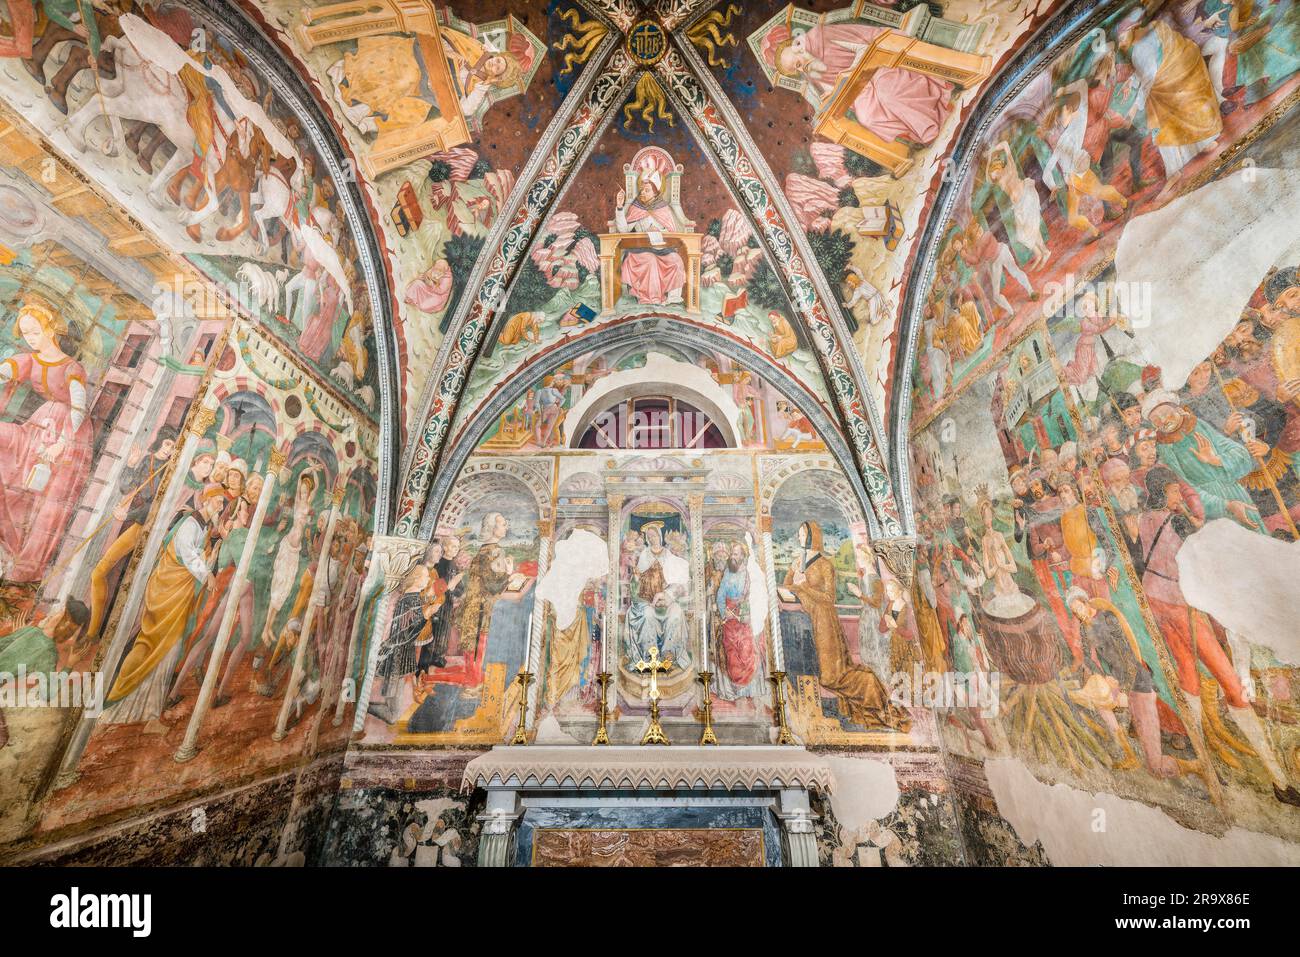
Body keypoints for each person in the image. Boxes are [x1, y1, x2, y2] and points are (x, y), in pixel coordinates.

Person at [1135, 467, 1300, 806]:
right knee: (1229, 681)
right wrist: (1188, 507)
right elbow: (1198, 529)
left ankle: (1207, 764)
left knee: (1188, 679)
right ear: (1163, 492)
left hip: (1157, 600)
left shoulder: (1143, 519)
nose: (1178, 495)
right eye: (1173, 491)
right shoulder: (1175, 522)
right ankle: (1278, 779)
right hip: (1181, 604)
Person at [100, 487, 225, 732]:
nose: (221, 506)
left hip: (178, 597)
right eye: (219, 501)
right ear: (208, 500)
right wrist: (206, 573)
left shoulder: (202, 527)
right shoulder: (191, 523)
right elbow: (186, 554)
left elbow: (194, 553)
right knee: (148, 644)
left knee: (170, 651)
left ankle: (150, 713)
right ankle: (115, 702)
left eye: (222, 503)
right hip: (166, 593)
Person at [783, 521, 909, 731]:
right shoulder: (802, 561)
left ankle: (873, 694)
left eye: (801, 535)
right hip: (810, 618)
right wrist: (793, 571)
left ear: (811, 537)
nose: (799, 539)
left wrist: (803, 586)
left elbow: (828, 597)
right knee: (825, 673)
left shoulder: (825, 564)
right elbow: (789, 585)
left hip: (825, 621)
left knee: (832, 676)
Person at [0, 299, 93, 582]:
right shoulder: (30, 359)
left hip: (68, 436)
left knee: (48, 500)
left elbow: (78, 409)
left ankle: (26, 567)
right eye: (26, 333)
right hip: (38, 428)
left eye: (35, 331)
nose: (30, 338)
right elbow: (6, 371)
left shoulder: (71, 368)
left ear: (50, 329)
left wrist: (62, 444)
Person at [1065, 587, 1174, 777]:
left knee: (1150, 744)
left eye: (1079, 608)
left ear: (1085, 602)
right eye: (1075, 612)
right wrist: (1104, 676)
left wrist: (1123, 687)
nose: (1079, 614)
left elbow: (1128, 653)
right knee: (1102, 706)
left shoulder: (1107, 617)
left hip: (1137, 679)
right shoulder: (1085, 627)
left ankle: (1163, 765)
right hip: (1116, 678)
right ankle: (1128, 753)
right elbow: (1089, 659)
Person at [85, 427, 179, 643]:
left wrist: (127, 513)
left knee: (104, 573)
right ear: (161, 441)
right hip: (131, 520)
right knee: (99, 573)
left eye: (173, 448)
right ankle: (93, 633)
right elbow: (126, 487)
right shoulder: (148, 460)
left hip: (142, 525)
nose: (169, 450)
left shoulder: (168, 471)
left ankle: (95, 634)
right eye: (167, 444)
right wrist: (130, 464)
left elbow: (155, 506)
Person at [613, 154, 688, 306]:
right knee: (651, 260)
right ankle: (649, 299)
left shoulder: (664, 209)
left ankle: (673, 297)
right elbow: (623, 230)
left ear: (656, 191)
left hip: (663, 249)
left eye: (646, 190)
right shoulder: (636, 207)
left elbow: (671, 231)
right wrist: (620, 207)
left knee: (676, 260)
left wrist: (660, 231)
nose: (642, 193)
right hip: (640, 251)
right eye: (641, 190)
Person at [626, 521, 690, 666]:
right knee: (648, 615)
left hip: (666, 598)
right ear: (647, 539)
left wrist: (668, 595)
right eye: (649, 536)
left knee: (676, 612)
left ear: (659, 536)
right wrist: (636, 576)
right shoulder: (644, 554)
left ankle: (669, 653)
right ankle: (651, 655)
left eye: (654, 535)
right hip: (647, 599)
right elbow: (638, 577)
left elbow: (677, 578)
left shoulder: (668, 554)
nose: (652, 538)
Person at [714, 541, 762, 703]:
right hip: (729, 618)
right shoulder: (728, 571)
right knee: (731, 652)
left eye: (735, 554)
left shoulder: (749, 574)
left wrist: (744, 615)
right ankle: (735, 689)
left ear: (743, 556)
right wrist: (723, 611)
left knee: (747, 651)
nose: (732, 557)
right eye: (731, 554)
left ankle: (747, 689)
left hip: (744, 618)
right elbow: (720, 594)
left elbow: (754, 596)